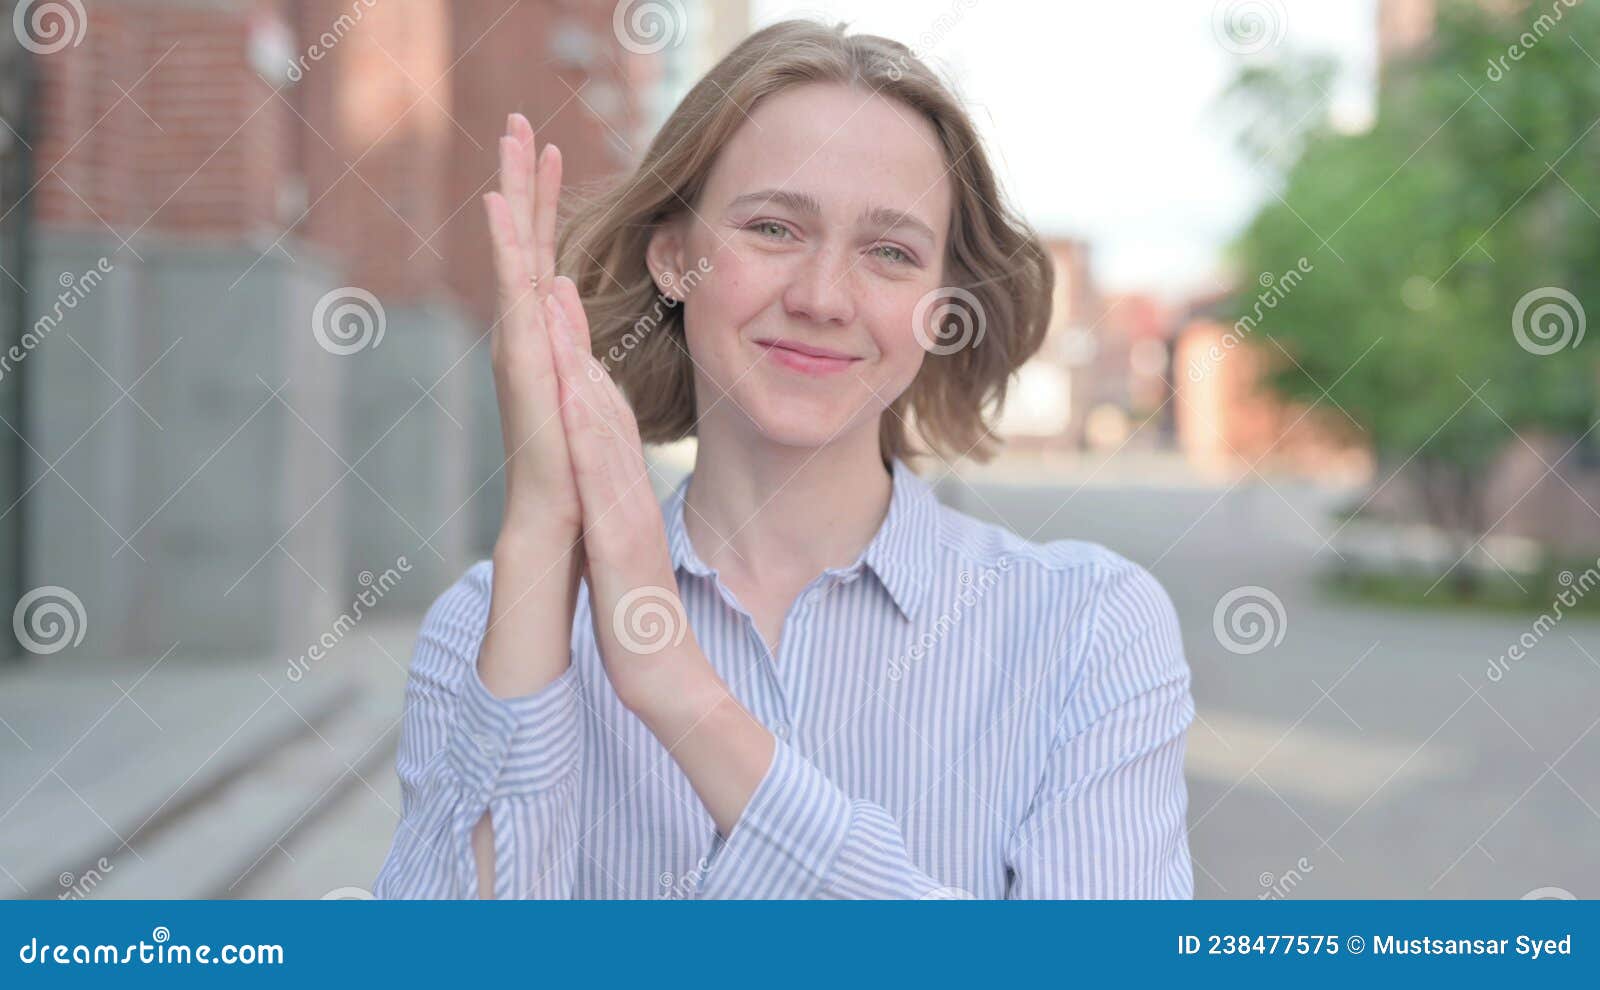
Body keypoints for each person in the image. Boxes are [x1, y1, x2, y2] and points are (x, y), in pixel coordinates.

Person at [373, 19, 1193, 900]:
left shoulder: (1088, 630)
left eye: (890, 252)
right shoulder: (488, 627)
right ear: (675, 259)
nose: (822, 297)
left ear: (942, 306)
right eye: (772, 228)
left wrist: (681, 691)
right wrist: (539, 531)